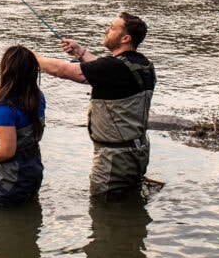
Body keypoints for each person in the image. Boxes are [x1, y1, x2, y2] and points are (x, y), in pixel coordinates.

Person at [34, 12, 156, 197]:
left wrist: (30, 56)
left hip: (113, 160)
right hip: (137, 152)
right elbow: (104, 69)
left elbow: (62, 70)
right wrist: (81, 52)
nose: (106, 30)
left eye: (112, 28)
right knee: (125, 203)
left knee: (105, 216)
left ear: (125, 38)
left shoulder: (113, 68)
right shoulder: (143, 64)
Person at [0, 45, 46, 207]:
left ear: (6, 70)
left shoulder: (4, 109)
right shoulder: (38, 98)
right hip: (33, 174)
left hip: (8, 184)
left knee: (3, 228)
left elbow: (6, 151)